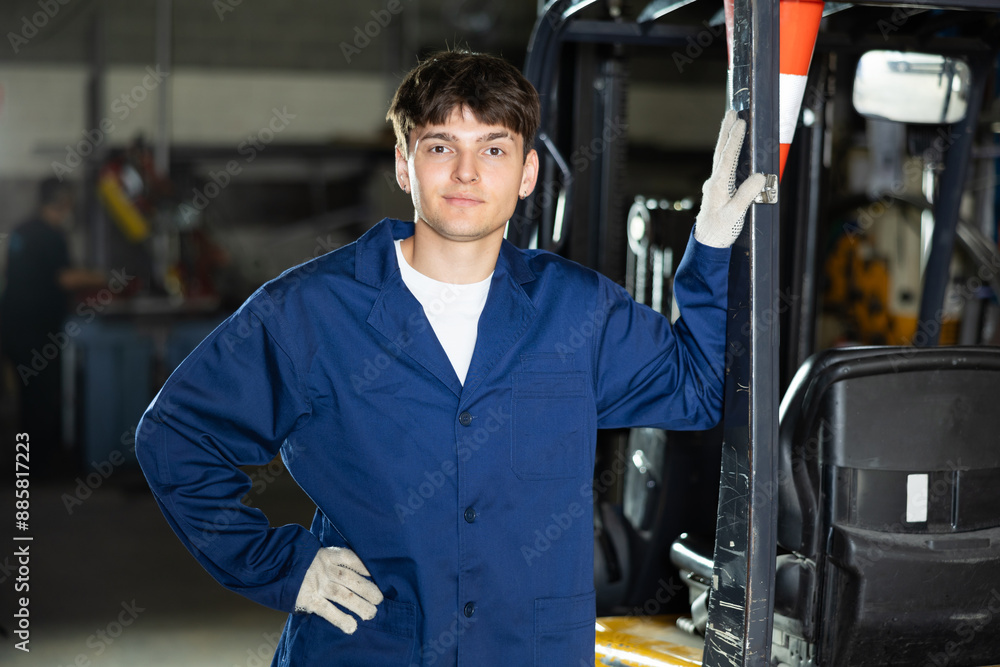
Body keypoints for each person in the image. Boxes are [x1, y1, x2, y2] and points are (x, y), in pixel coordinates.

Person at [135, 50, 765, 666]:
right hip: (369, 646)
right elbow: (178, 435)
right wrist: (284, 567)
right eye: (440, 146)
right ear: (406, 166)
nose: (467, 172)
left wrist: (710, 249)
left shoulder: (579, 312)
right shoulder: (310, 311)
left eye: (493, 148)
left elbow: (699, 387)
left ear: (526, 175)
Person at [1, 177, 105, 475]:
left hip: (12, 327)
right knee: (41, 400)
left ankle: (28, 463)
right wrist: (103, 277)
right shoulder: (51, 235)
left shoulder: (21, 231)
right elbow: (64, 278)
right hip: (35, 333)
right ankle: (38, 468)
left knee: (27, 399)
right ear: (63, 202)